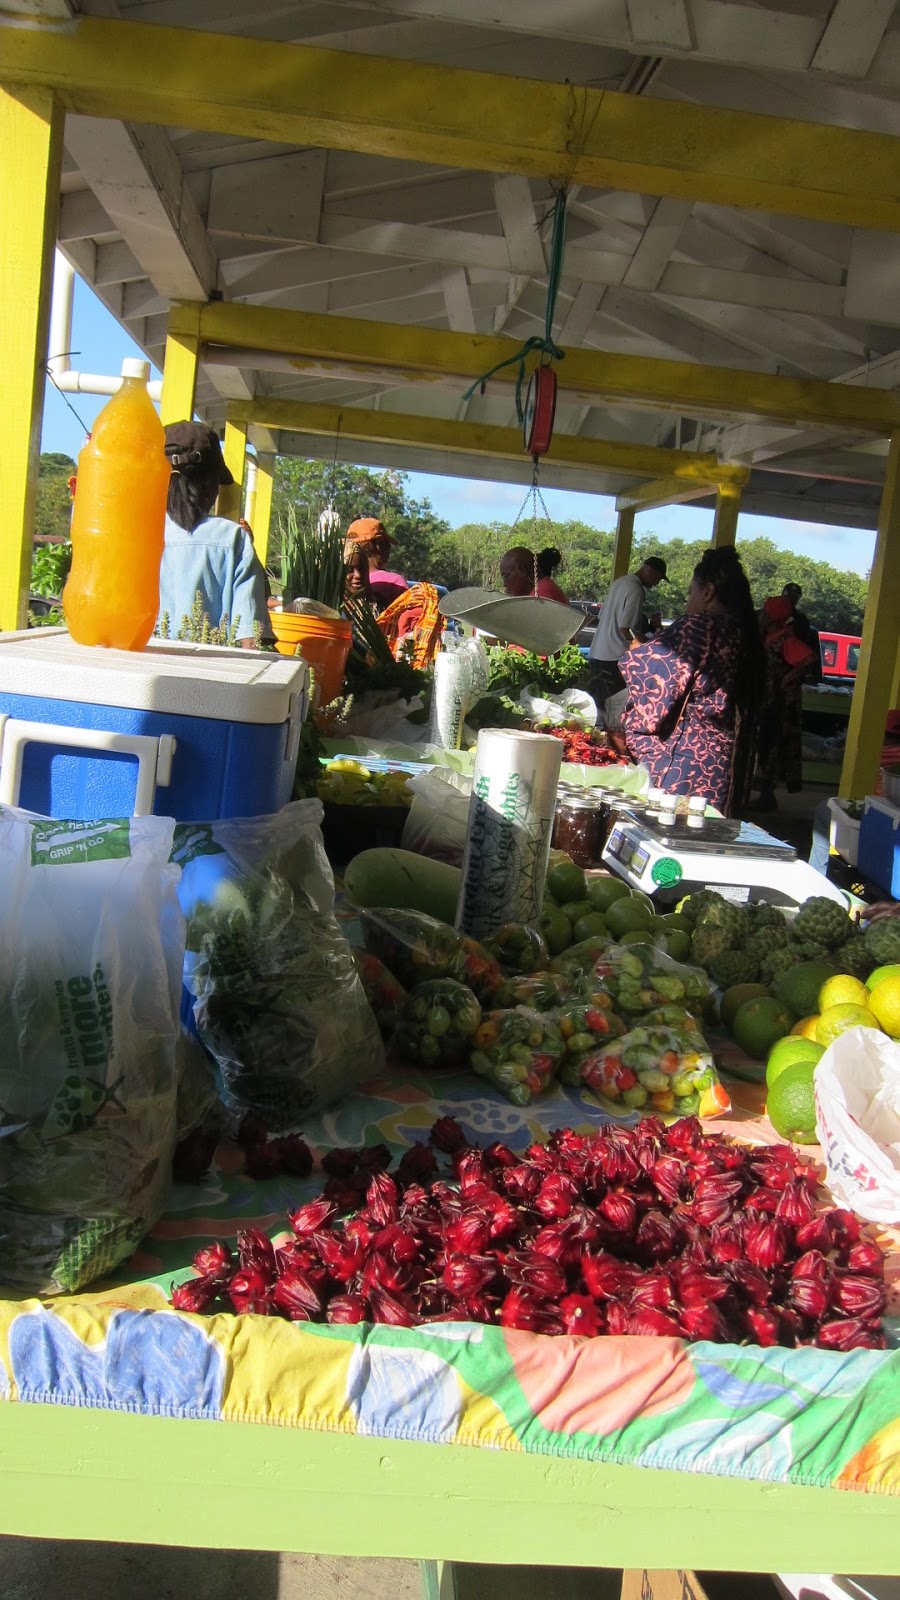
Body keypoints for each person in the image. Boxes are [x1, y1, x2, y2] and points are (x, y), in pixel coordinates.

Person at [620, 546, 764, 816]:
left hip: (683, 766)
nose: (689, 602)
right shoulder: (746, 635)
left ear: (707, 592)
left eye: (690, 593)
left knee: (669, 843)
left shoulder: (700, 627)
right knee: (705, 840)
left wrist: (637, 652)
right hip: (722, 768)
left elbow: (656, 680)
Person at [160, 422, 269, 647]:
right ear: (210, 484)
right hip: (212, 679)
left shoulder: (139, 533)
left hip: (144, 677)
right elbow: (250, 639)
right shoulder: (234, 539)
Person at [753, 595, 818, 809]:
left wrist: (787, 679)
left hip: (780, 705)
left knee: (773, 745)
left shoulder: (785, 639)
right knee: (765, 743)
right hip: (769, 700)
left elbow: (809, 659)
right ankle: (763, 791)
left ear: (772, 617)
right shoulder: (768, 637)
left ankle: (767, 795)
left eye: (764, 612)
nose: (761, 614)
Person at [588, 556, 668, 729]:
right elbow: (626, 629)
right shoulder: (636, 589)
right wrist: (650, 646)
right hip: (614, 657)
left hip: (598, 653)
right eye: (657, 578)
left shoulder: (620, 582)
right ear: (649, 571)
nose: (655, 584)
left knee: (598, 712)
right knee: (613, 715)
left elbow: (604, 617)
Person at [345, 517, 409, 610]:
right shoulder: (394, 583)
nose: (357, 575)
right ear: (379, 544)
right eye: (388, 544)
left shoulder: (336, 592)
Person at [783, 582, 822, 686]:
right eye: (788, 596)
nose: (790, 600)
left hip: (790, 669)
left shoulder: (801, 620)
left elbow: (805, 648)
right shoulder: (766, 614)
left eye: (794, 597)